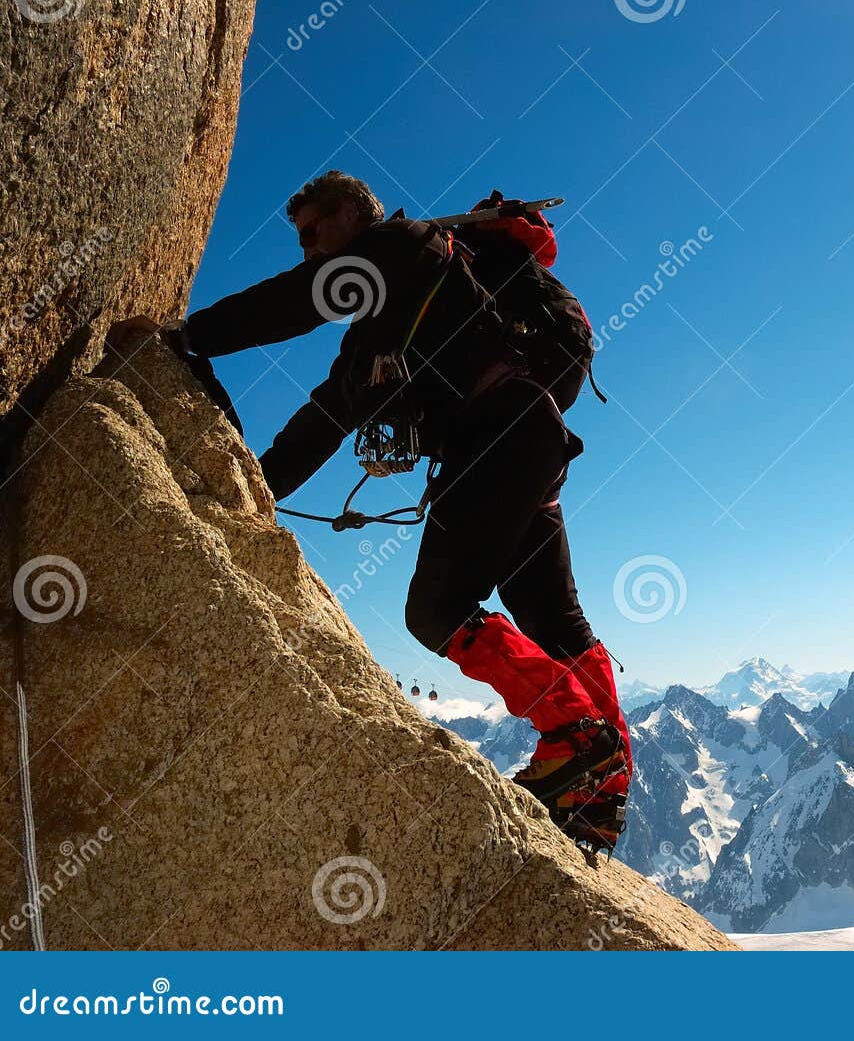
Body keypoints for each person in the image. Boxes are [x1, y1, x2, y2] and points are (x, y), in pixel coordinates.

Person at [111, 171, 631, 853]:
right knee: (550, 613)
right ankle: (602, 788)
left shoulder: (396, 246)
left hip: (498, 432)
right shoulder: (374, 339)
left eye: (313, 232)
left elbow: (294, 303)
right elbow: (320, 423)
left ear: (351, 215)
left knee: (436, 611)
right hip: (530, 432)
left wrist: (192, 336)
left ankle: (571, 736)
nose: (307, 252)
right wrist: (249, 492)